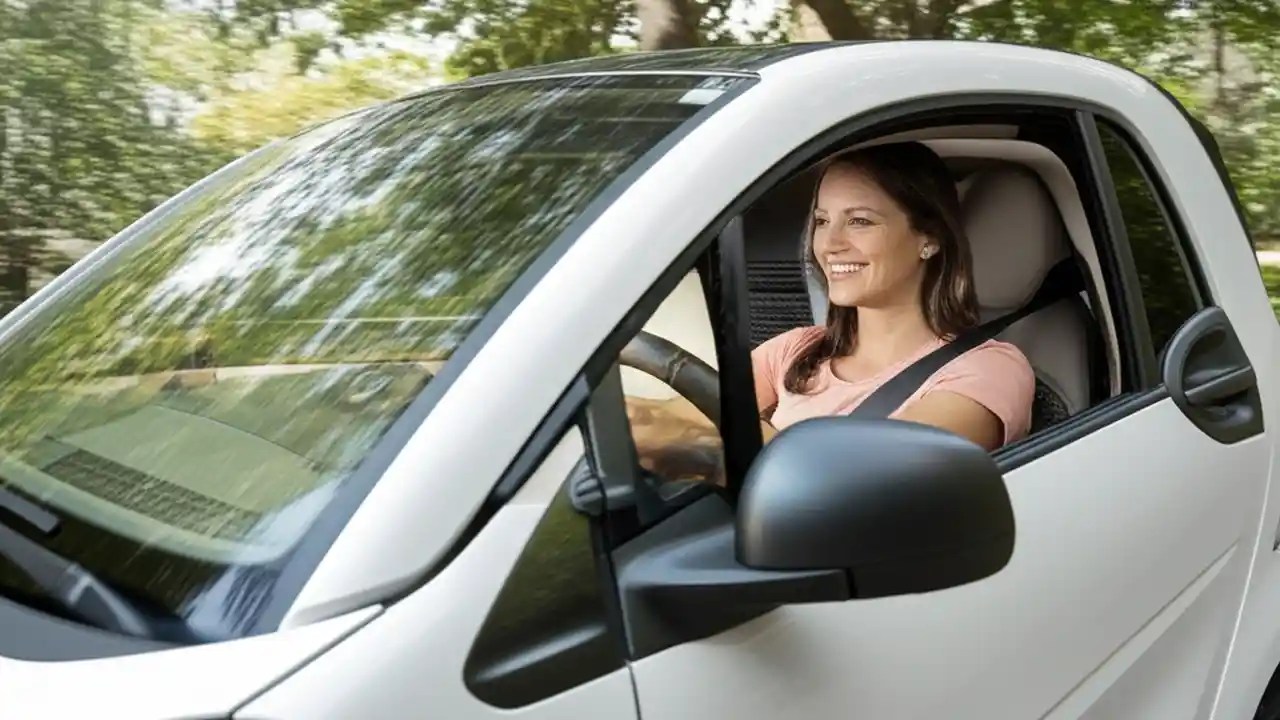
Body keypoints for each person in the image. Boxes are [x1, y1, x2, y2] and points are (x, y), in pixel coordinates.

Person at [753, 141, 1035, 452]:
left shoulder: (987, 369)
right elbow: (696, 412)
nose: (829, 244)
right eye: (821, 221)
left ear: (929, 238)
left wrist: (732, 437)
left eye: (860, 221)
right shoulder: (797, 349)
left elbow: (861, 476)